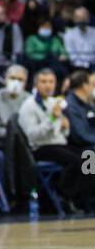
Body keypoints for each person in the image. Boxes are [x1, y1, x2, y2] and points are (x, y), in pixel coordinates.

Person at [18, 67, 87, 210]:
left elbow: (62, 133)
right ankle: (63, 195)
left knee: (90, 157)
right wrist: (51, 119)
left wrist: (65, 126)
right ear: (36, 85)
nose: (48, 85)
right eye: (44, 82)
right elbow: (33, 135)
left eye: (51, 81)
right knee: (77, 161)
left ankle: (83, 197)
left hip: (58, 144)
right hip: (41, 147)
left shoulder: (53, 103)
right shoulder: (28, 106)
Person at [0, 64, 30, 146]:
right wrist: (8, 133)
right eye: (13, 78)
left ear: (25, 83)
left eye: (20, 80)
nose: (16, 82)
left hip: (23, 140)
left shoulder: (29, 99)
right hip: (1, 139)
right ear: (6, 79)